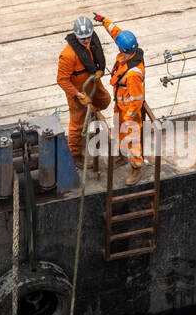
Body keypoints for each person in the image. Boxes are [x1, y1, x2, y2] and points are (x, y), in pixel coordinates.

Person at [93, 13, 146, 186]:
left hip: (129, 109)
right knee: (119, 132)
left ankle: (137, 167)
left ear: (123, 50)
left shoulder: (133, 74)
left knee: (132, 137)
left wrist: (130, 116)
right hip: (120, 104)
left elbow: (137, 98)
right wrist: (103, 21)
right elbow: (116, 33)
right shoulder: (131, 49)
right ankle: (123, 157)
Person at [56, 14, 110, 168]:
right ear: (76, 36)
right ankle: (74, 154)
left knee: (105, 99)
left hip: (92, 82)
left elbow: (97, 58)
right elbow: (62, 80)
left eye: (88, 37)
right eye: (82, 38)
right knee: (77, 124)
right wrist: (79, 95)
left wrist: (100, 72)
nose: (86, 40)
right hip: (77, 91)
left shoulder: (92, 43)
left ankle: (91, 109)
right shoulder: (67, 56)